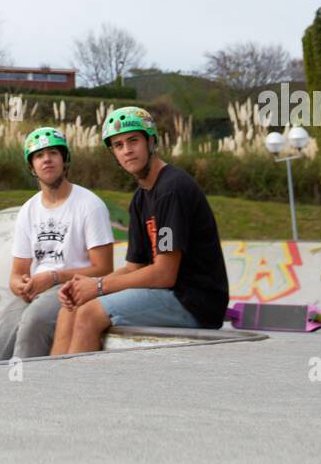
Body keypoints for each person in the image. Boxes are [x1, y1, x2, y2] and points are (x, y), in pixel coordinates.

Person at [51, 107, 229, 355]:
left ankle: (79, 391)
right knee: (72, 307)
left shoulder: (172, 190)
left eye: (133, 140)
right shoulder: (140, 198)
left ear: (151, 141)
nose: (127, 150)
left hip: (195, 302)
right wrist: (89, 285)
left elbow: (165, 274)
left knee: (89, 314)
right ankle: (56, 387)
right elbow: (134, 268)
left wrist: (100, 286)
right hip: (167, 294)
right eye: (118, 145)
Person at [0, 127, 114, 362]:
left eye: (53, 152)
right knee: (1, 332)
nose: (47, 159)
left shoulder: (89, 205)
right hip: (36, 288)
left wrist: (53, 277)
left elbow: (103, 269)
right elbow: (17, 273)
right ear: (32, 167)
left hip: (72, 287)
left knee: (34, 321)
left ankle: (26, 386)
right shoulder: (28, 210)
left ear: (65, 160)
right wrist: (19, 285)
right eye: (39, 155)